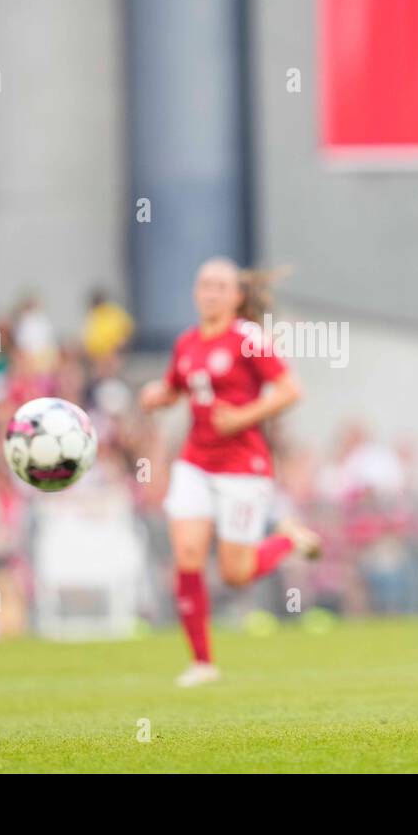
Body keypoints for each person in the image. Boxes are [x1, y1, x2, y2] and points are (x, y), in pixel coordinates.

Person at [139, 258, 321, 687]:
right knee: (186, 555)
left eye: (221, 286)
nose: (211, 292)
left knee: (236, 574)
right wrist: (155, 395)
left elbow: (291, 389)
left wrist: (242, 417)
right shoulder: (186, 343)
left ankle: (288, 539)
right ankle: (202, 662)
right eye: (205, 285)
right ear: (195, 292)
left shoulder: (249, 338)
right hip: (196, 463)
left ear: (237, 296)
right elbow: (174, 390)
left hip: (243, 466)